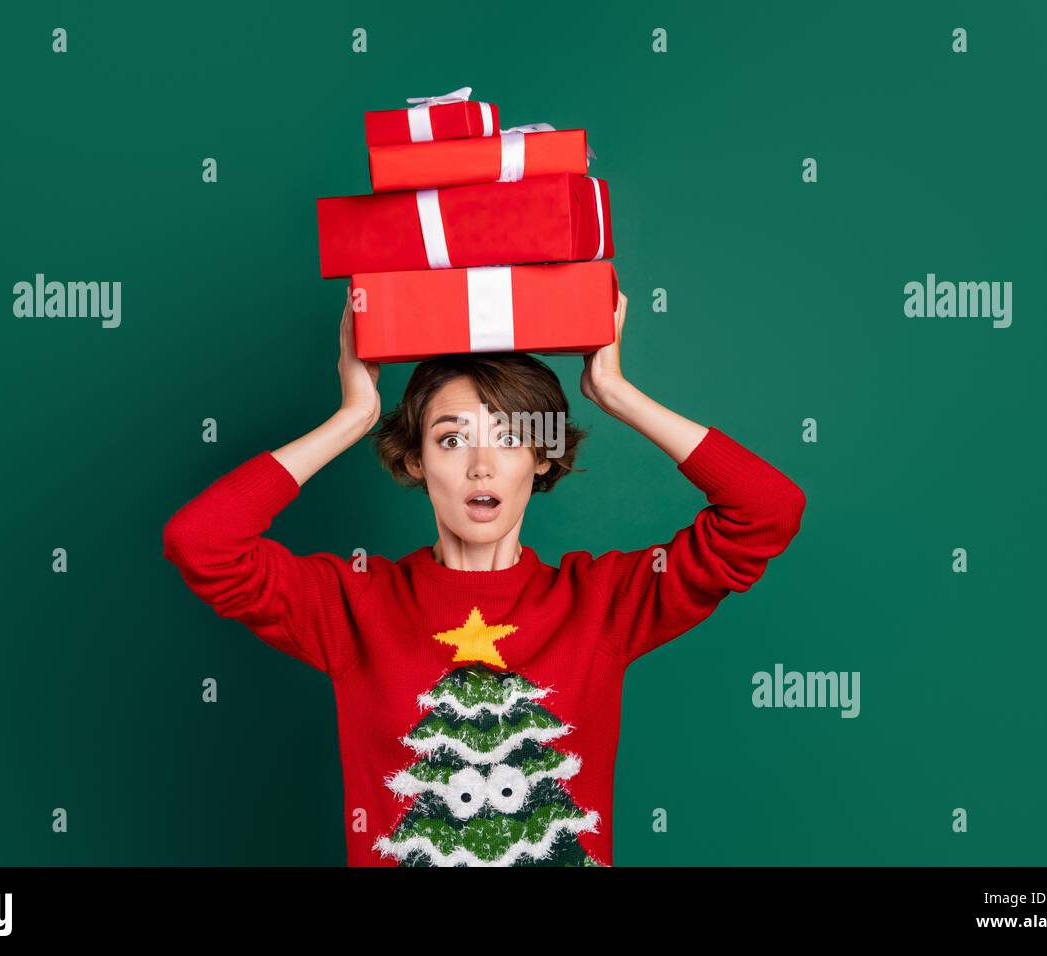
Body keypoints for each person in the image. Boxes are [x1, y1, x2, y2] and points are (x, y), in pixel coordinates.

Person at [162, 287, 807, 866]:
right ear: (415, 460)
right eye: (449, 439)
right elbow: (201, 543)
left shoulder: (603, 605)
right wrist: (353, 416)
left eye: (507, 437)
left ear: (540, 457)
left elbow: (766, 511)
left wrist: (616, 393)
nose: (480, 466)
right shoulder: (352, 604)